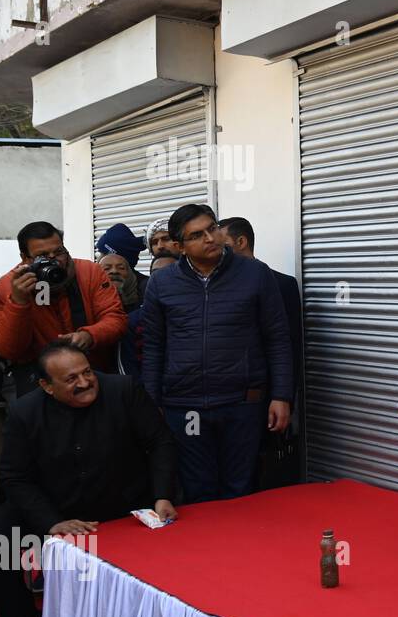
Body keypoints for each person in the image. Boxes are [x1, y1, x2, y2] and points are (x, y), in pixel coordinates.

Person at [0, 340, 179, 617]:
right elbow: (15, 477)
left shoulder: (124, 390)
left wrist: (162, 495)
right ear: (46, 386)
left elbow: (160, 442)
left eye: (87, 373)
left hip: (120, 499)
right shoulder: (25, 412)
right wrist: (51, 522)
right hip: (56, 503)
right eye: (71, 379)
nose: (84, 383)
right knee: (2, 536)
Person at [142, 205, 293, 503]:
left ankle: (243, 549)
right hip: (186, 406)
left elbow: (277, 337)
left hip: (243, 402)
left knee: (242, 489)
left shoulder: (254, 273)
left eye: (212, 228)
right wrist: (152, 402)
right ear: (179, 246)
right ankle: (206, 550)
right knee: (199, 490)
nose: (210, 238)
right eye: (197, 235)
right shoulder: (162, 283)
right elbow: (153, 346)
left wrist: (282, 395)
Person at [219, 217, 304, 488]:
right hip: (223, 395)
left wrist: (285, 397)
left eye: (223, 246)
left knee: (260, 469)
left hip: (265, 394)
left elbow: (289, 343)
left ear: (241, 242)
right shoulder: (214, 284)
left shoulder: (282, 284)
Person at [0, 222, 127, 396]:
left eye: (58, 252)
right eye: (42, 256)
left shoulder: (89, 271)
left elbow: (116, 319)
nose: (54, 260)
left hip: (92, 371)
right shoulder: (8, 287)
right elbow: (10, 349)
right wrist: (18, 303)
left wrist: (89, 335)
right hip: (42, 382)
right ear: (25, 258)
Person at [118, 256, 177, 377]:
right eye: (156, 274)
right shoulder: (133, 321)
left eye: (170, 272)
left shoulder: (196, 315)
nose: (163, 277)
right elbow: (128, 366)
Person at [95, 223, 150, 313]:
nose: (99, 260)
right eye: (107, 267)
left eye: (104, 254)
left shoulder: (146, 290)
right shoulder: (90, 286)